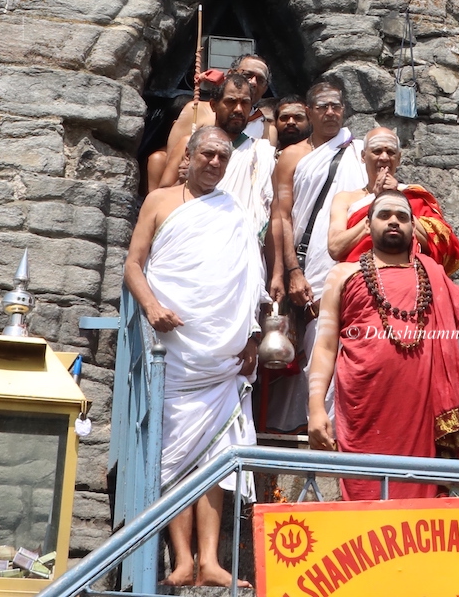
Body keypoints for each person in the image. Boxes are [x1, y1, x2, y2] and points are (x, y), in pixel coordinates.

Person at [124, 125, 264, 587]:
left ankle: (211, 561)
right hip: (174, 350)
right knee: (175, 453)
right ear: (189, 155)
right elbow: (133, 265)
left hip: (222, 355)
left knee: (216, 455)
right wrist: (151, 307)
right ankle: (181, 560)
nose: (215, 163)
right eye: (208, 154)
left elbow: (251, 280)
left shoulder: (235, 211)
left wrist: (252, 336)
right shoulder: (159, 201)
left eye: (223, 157)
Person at [308, 190, 459, 499]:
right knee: (367, 508)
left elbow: (450, 354)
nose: (393, 221)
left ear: (413, 227)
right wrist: (316, 409)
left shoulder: (433, 276)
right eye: (384, 215)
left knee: (422, 516)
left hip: (423, 412)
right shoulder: (342, 274)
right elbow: (325, 346)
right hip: (364, 408)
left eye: (402, 217)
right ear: (368, 225)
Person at [263, 80, 365, 433]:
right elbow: (281, 216)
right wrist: (290, 270)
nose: (330, 112)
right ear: (309, 112)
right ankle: (308, 424)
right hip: (311, 266)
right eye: (322, 106)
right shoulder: (293, 156)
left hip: (354, 264)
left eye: (336, 106)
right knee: (314, 340)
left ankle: (344, 428)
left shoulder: (359, 152)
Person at [327, 127, 459, 274]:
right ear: (363, 156)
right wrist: (378, 203)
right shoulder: (345, 199)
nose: (384, 157)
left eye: (391, 152)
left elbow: (444, 244)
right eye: (377, 151)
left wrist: (395, 199)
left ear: (398, 159)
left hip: (408, 278)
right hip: (362, 277)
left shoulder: (412, 195)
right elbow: (335, 248)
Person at [155, 53, 276, 190]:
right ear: (230, 74)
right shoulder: (196, 110)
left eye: (260, 80)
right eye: (247, 75)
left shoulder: (267, 129)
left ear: (265, 88)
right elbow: (172, 164)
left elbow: (264, 179)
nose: (253, 82)